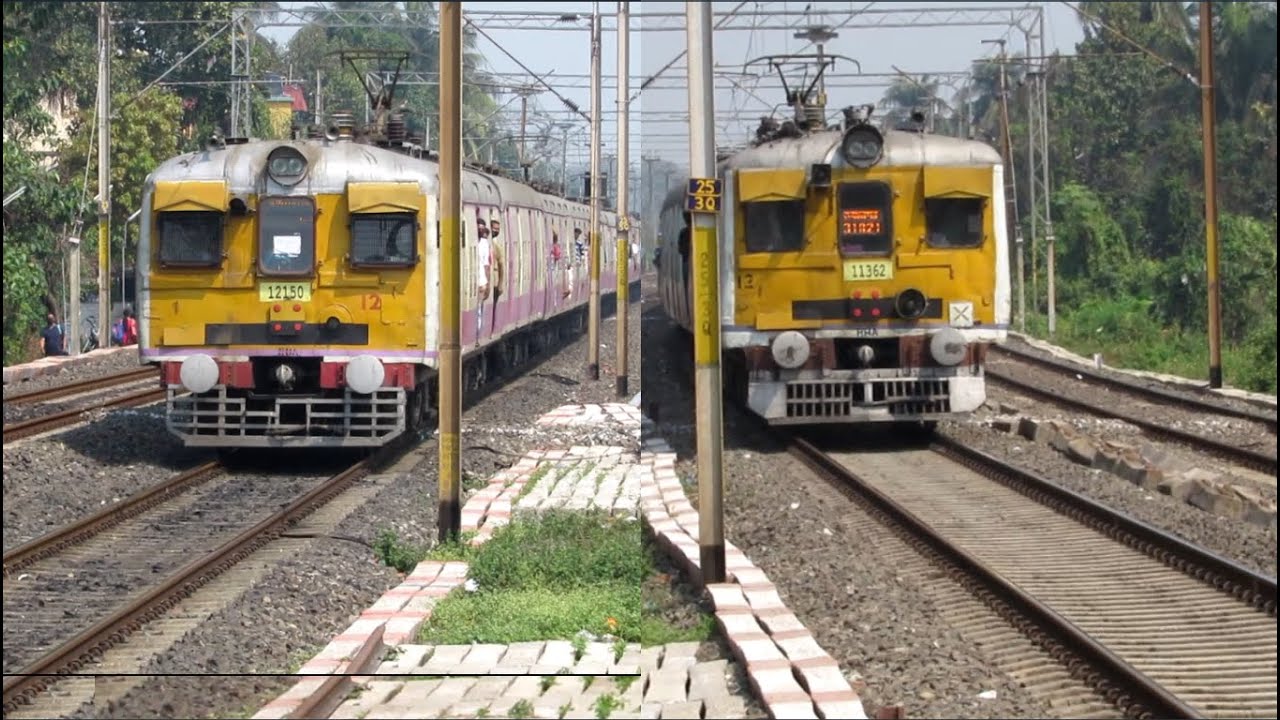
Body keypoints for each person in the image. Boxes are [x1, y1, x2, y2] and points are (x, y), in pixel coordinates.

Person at [475, 217, 492, 339]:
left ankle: (478, 334)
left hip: (481, 280)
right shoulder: (483, 243)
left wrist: (488, 282)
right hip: (476, 279)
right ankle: (477, 334)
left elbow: (487, 264)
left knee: (479, 309)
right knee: (477, 310)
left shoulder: (484, 244)